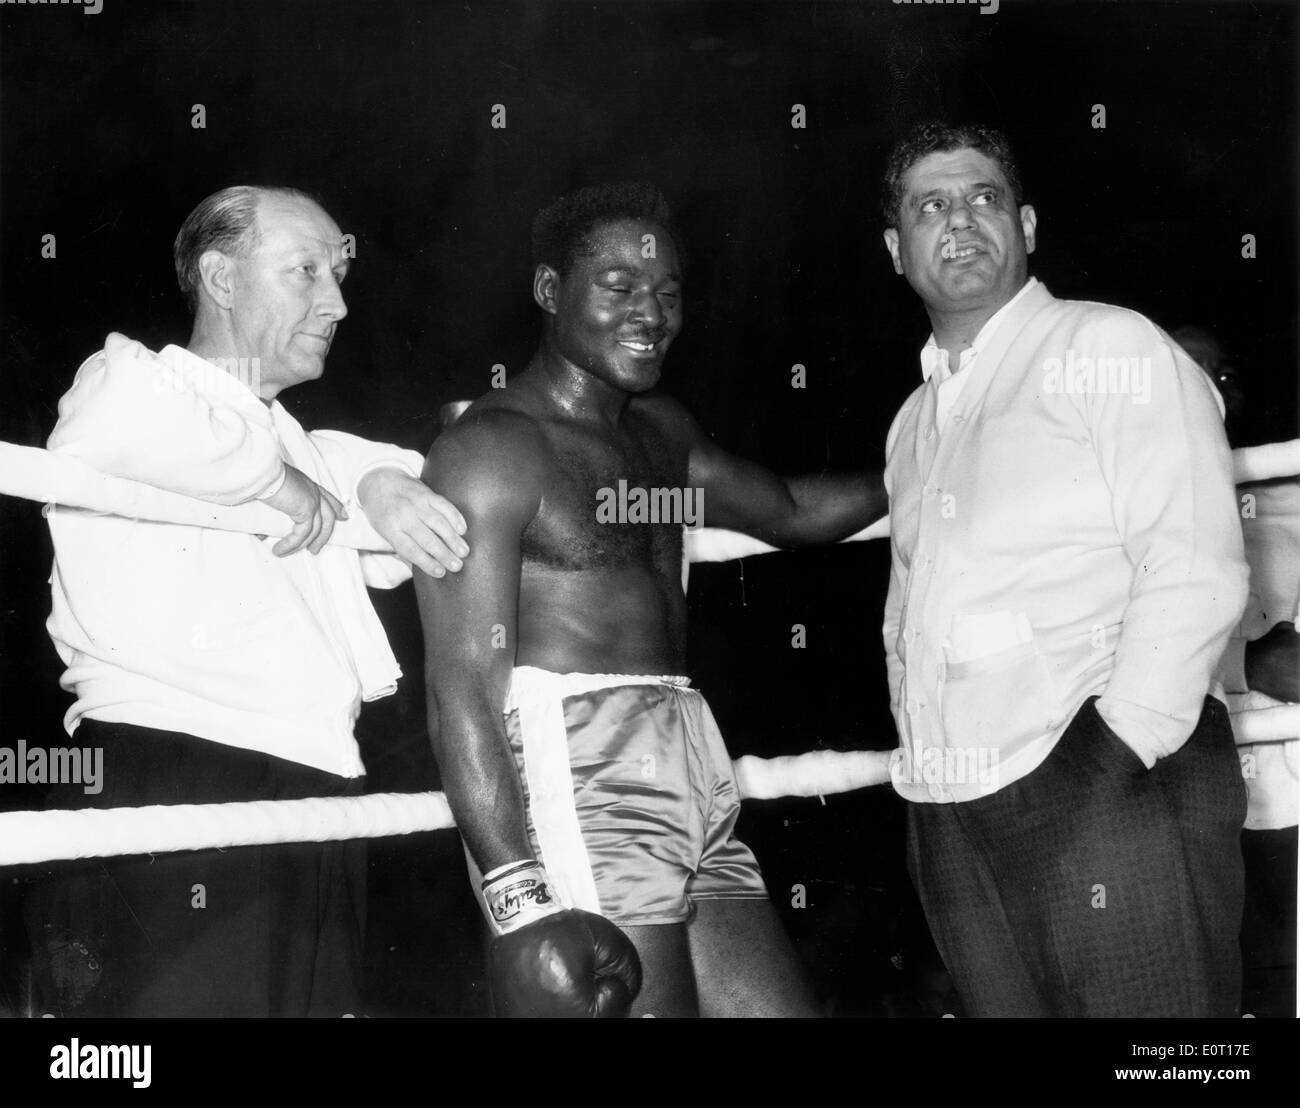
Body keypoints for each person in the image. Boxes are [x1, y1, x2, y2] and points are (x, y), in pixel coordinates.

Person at [415, 182, 886, 1018]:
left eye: (668, 293)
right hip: (580, 765)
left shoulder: (658, 439)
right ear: (551, 292)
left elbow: (790, 510)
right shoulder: (493, 451)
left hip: (691, 756)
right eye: (620, 287)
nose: (652, 312)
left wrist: (932, 453)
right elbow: (463, 692)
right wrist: (518, 900)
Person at [27, 185, 469, 1017]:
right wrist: (275, 482)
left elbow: (376, 480)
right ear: (221, 278)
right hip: (181, 769)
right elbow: (121, 418)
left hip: (311, 777)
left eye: (338, 273)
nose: (335, 302)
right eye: (305, 271)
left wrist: (371, 476)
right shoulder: (134, 383)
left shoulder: (290, 438)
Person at [878, 122, 1250, 1017]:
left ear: (1029, 226)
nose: (959, 220)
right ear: (897, 250)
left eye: (984, 198)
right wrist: (932, 797)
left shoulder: (1109, 348)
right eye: (931, 206)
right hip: (952, 813)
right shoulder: (911, 426)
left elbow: (1195, 561)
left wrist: (1112, 751)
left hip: (1107, 782)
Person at [1173, 323, 1299, 1018]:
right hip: (1198, 822)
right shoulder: (1103, 512)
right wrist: (1249, 661)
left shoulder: (1287, 487)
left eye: (1223, 376)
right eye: (1187, 372)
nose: (1209, 392)